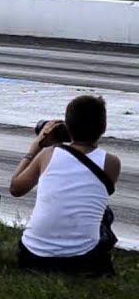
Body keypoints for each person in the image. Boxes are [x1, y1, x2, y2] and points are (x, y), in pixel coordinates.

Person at [11, 95, 121, 277]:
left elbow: (16, 188)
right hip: (82, 260)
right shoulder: (111, 162)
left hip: (32, 255)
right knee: (103, 212)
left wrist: (35, 147)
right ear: (103, 128)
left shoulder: (47, 154)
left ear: (68, 127)